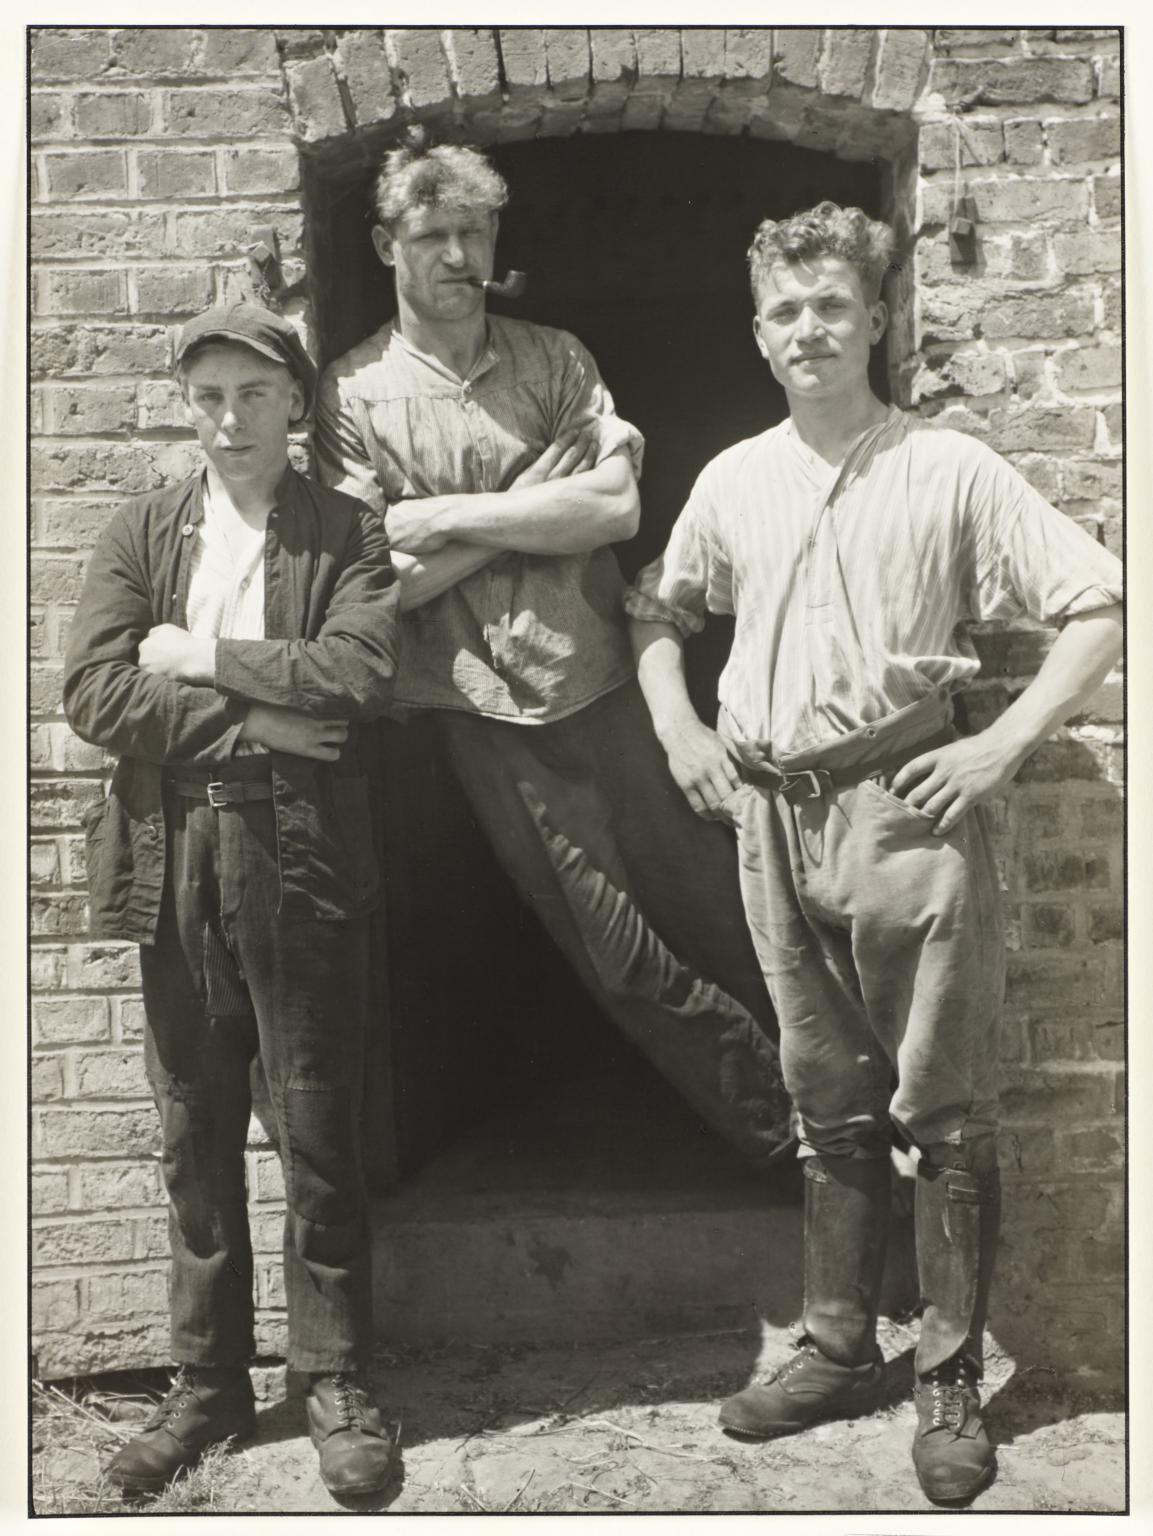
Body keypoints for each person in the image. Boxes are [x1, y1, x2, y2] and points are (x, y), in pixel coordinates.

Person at [625, 201, 1123, 1504]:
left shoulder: (944, 468)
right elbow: (657, 612)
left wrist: (997, 746)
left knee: (942, 1113)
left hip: (905, 816)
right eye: (784, 312)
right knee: (823, 1103)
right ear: (757, 332)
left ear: (876, 322)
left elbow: (1096, 605)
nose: (807, 331)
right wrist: (681, 727)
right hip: (770, 821)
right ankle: (841, 1344)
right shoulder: (733, 478)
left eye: (830, 308)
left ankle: (949, 1377)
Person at [316, 139, 791, 1170]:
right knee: (617, 955)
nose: (457, 254)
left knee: (723, 908)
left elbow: (614, 506)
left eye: (474, 233)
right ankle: (783, 1138)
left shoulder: (553, 358)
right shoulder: (350, 395)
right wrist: (535, 503)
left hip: (608, 681)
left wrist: (438, 515)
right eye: (432, 234)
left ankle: (851, 1123)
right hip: (486, 713)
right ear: (384, 244)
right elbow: (375, 588)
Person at [63, 303, 401, 1501]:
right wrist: (252, 712)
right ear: (185, 407)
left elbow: (358, 673)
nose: (229, 418)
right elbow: (95, 690)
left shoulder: (346, 533)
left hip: (299, 852)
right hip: (174, 850)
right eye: (208, 395)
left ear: (294, 404)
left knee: (315, 1120)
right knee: (193, 1131)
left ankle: (335, 1379)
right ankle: (207, 1384)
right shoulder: (144, 530)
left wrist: (200, 656)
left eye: (253, 393)